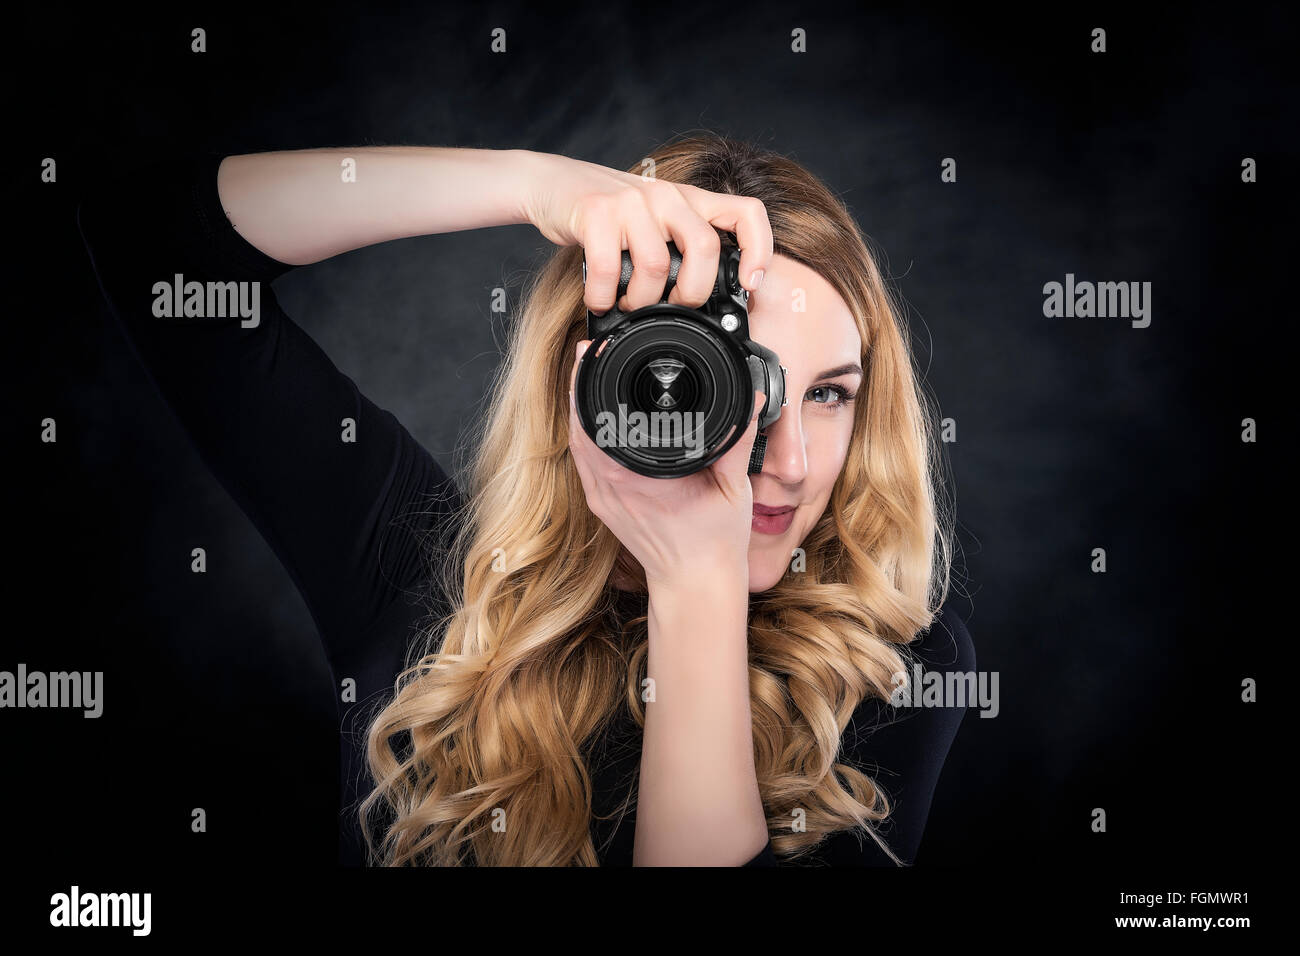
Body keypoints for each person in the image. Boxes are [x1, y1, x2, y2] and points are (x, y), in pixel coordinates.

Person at [76, 133, 975, 867]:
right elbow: (153, 240)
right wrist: (535, 183)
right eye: (738, 389)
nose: (785, 460)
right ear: (596, 382)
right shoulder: (423, 578)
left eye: (829, 395)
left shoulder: (884, 668)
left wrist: (693, 583)